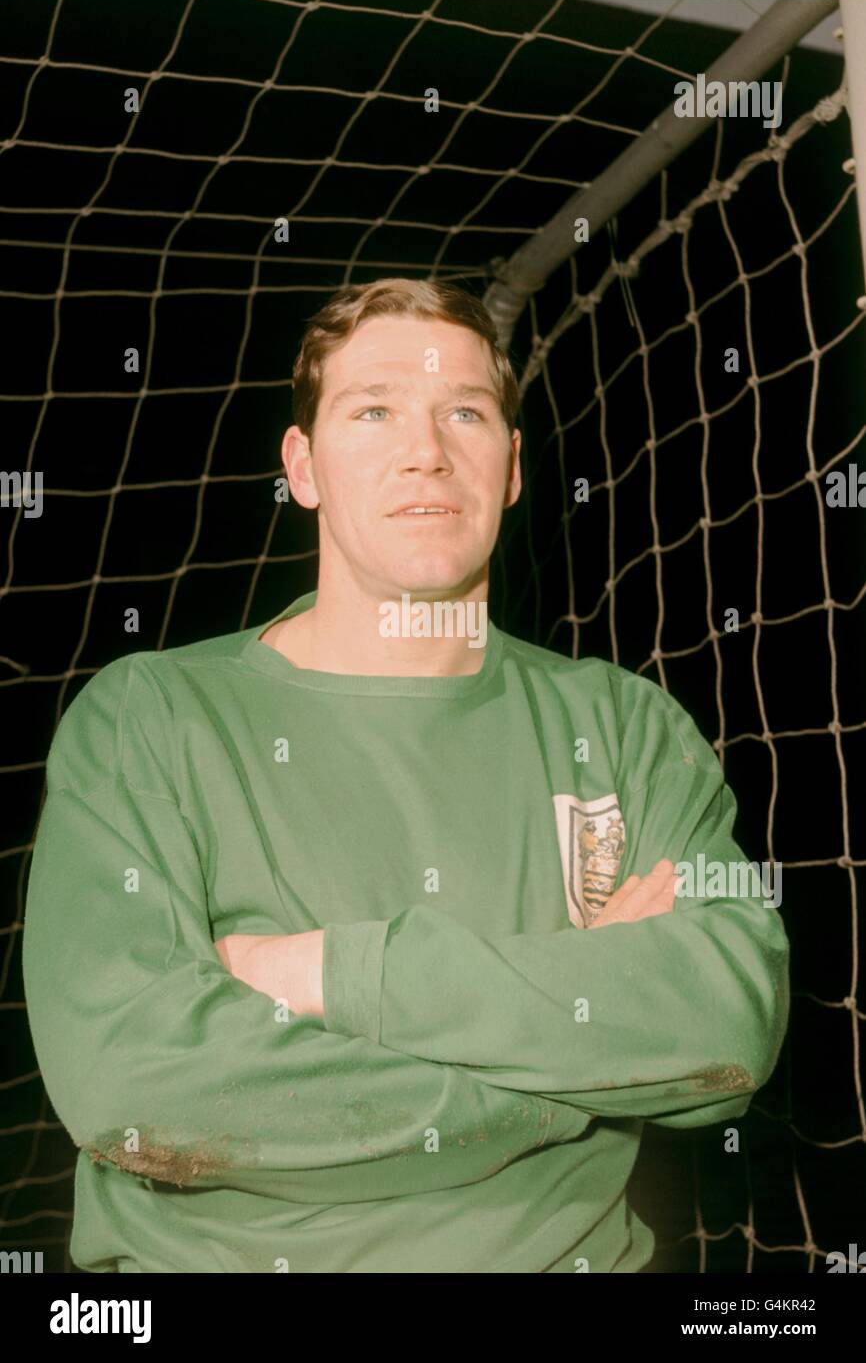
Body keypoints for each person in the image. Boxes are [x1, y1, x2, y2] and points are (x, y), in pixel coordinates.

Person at [22, 277, 789, 1274]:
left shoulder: (623, 724)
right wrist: (585, 1070)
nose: (423, 449)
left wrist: (326, 973)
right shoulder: (149, 719)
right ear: (302, 466)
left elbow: (726, 1018)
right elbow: (137, 1089)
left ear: (510, 466)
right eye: (372, 409)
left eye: (463, 412)